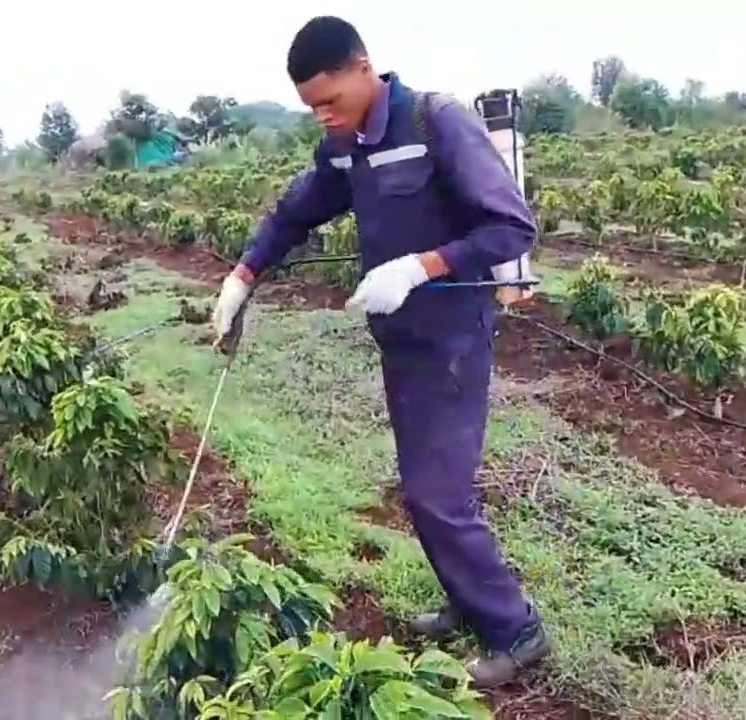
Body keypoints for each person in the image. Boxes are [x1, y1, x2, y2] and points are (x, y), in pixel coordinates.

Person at [210, 16, 551, 688]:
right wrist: (243, 275)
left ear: (364, 68)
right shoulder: (345, 146)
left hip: (452, 338)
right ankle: (468, 600)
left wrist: (421, 266)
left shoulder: (435, 122)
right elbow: (295, 212)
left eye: (329, 100)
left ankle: (518, 632)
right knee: (425, 487)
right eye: (311, 108)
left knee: (437, 493)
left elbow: (512, 227)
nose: (322, 116)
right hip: (401, 343)